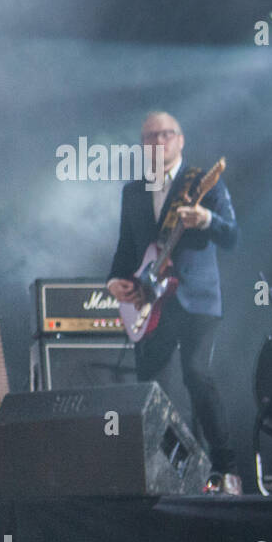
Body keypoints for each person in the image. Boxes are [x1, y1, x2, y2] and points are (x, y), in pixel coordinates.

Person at [106, 111, 240, 493]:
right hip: (152, 303)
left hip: (196, 298)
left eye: (167, 134)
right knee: (152, 389)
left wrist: (206, 219)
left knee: (197, 374)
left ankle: (227, 469)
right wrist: (116, 282)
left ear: (181, 140)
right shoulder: (132, 192)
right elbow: (125, 251)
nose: (159, 141)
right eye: (150, 136)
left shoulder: (205, 183)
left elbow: (232, 236)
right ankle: (172, 473)